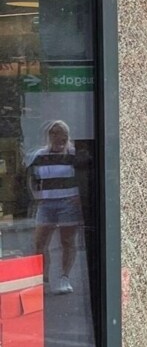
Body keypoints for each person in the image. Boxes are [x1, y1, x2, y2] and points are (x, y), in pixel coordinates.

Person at [27, 120, 83, 295]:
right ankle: (43, 279)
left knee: (67, 241)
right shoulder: (39, 155)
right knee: (40, 242)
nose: (59, 137)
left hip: (68, 203)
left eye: (63, 134)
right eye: (55, 133)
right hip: (46, 204)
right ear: (49, 136)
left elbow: (85, 177)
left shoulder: (74, 154)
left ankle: (64, 277)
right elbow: (31, 178)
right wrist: (36, 196)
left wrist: (79, 198)